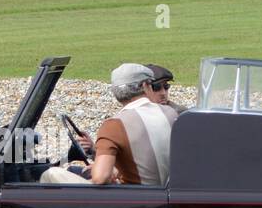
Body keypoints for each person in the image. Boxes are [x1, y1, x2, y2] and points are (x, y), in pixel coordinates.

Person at [42, 64, 177, 186]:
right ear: (145, 86)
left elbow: (100, 178)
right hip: (164, 193)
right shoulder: (171, 114)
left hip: (132, 201)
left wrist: (100, 168)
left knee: (51, 174)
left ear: (115, 92)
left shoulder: (114, 125)